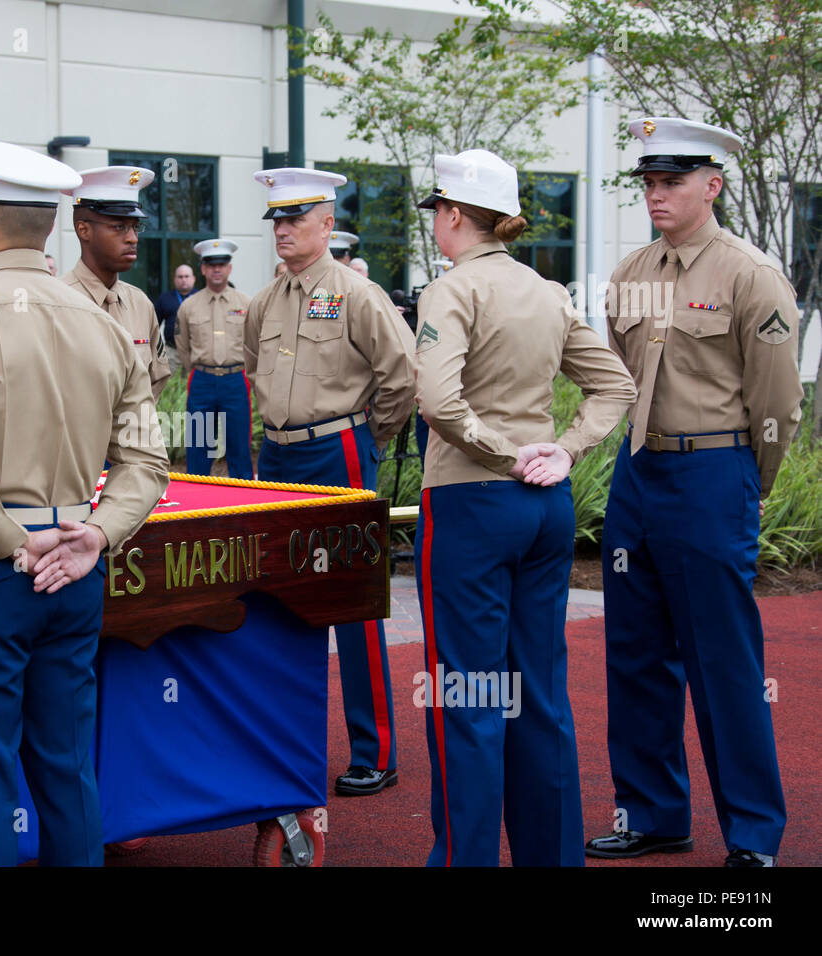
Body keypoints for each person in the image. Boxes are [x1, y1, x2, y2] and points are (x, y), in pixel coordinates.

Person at [0, 138, 169, 866]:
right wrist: (96, 536)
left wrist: (9, 538)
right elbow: (148, 462)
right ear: (52, 226)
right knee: (65, 766)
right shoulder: (109, 327)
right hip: (77, 563)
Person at [585, 118, 802, 868]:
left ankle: (752, 835)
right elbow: (618, 368)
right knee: (635, 654)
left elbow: (777, 403)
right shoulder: (631, 272)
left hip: (714, 475)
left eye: (671, 181)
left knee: (723, 662)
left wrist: (750, 485)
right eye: (648, 182)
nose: (657, 194)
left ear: (713, 185)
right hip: (641, 473)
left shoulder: (749, 274)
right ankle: (652, 813)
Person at [412, 150, 636, 866]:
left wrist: (499, 452)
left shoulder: (452, 290)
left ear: (452, 217)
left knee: (470, 701)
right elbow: (616, 388)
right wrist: (563, 450)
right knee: (539, 697)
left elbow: (438, 402)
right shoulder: (546, 291)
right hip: (545, 506)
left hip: (472, 506)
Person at [244, 168, 416, 797]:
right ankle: (290, 744)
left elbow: (401, 374)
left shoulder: (355, 294)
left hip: (338, 452)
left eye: (295, 219)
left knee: (352, 603)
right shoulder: (263, 300)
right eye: (276, 221)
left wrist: (371, 438)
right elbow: (254, 368)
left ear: (326, 222)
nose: (283, 231)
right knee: (282, 600)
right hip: (280, 459)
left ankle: (375, 750)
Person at [62, 166, 170, 400]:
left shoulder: (140, 304)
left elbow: (157, 378)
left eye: (135, 226)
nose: (132, 238)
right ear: (83, 230)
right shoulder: (56, 304)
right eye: (119, 227)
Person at [175, 239, 252, 478]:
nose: (217, 269)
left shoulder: (246, 303)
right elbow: (182, 346)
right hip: (202, 381)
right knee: (199, 447)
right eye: (211, 264)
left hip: (235, 381)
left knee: (239, 447)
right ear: (203, 269)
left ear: (229, 267)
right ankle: (197, 507)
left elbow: (254, 343)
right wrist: (197, 369)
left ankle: (245, 507)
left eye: (222, 264)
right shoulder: (189, 306)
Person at [155, 263, 196, 355]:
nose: (184, 280)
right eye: (180, 277)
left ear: (193, 278)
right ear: (175, 279)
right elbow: (154, 325)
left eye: (187, 276)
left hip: (196, 352)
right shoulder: (165, 298)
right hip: (172, 352)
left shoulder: (201, 298)